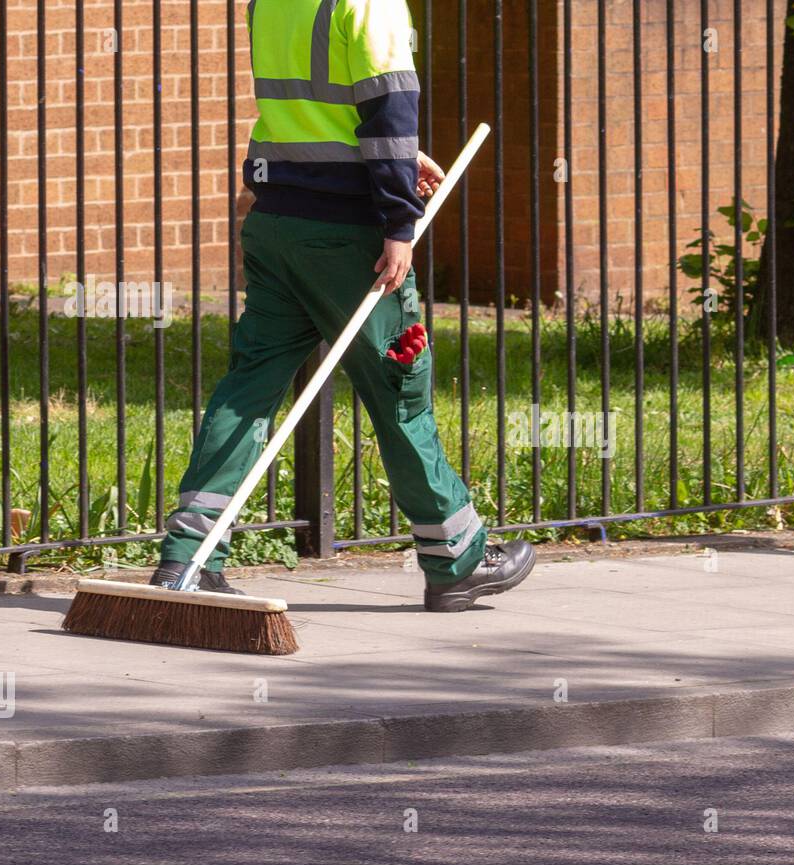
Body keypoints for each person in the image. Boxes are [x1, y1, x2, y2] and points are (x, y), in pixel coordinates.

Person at [150, 0, 534, 612]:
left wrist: (401, 163)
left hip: (277, 220)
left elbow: (314, 116)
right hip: (347, 240)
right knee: (399, 391)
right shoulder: (370, 6)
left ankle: (186, 558)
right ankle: (456, 559)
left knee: (248, 386)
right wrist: (398, 219)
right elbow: (386, 112)